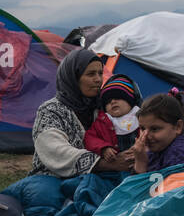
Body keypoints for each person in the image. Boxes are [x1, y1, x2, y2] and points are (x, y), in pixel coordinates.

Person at [28, 48, 133, 177]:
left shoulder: (103, 106)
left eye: (100, 73)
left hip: (97, 176)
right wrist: (105, 164)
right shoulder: (50, 110)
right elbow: (55, 151)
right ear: (73, 77)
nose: (98, 79)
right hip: (51, 177)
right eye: (91, 74)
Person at [84, 73, 142, 160]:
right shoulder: (102, 122)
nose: (113, 102)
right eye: (108, 101)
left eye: (118, 97)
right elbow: (89, 138)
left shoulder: (143, 116)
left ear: (130, 101)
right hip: (115, 166)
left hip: (142, 161)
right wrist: (103, 148)